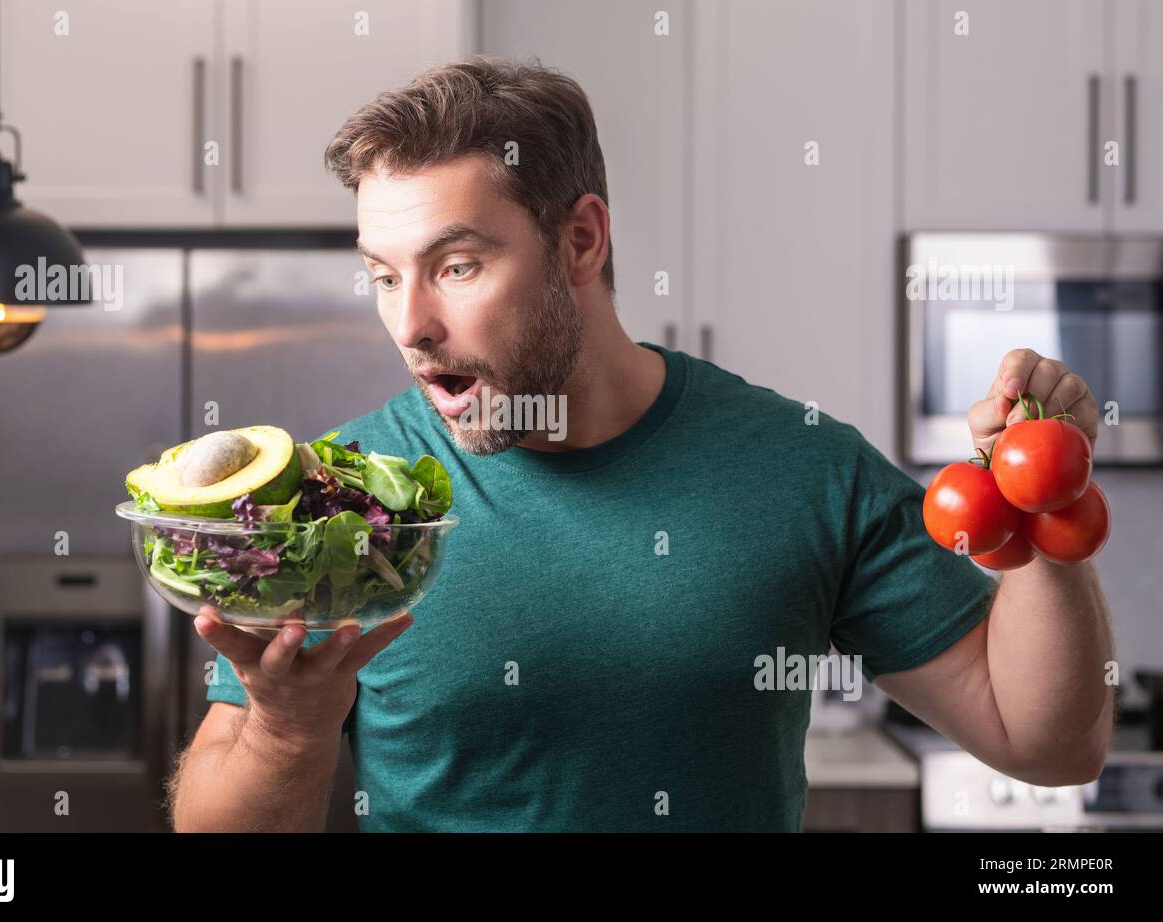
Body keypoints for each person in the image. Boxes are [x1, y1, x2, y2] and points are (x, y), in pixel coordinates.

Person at [168, 57, 1114, 832]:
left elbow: (1045, 743)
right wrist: (288, 735)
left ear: (580, 241)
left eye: (456, 266)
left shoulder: (803, 468)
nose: (409, 324)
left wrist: (1044, 507)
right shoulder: (339, 508)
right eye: (382, 275)